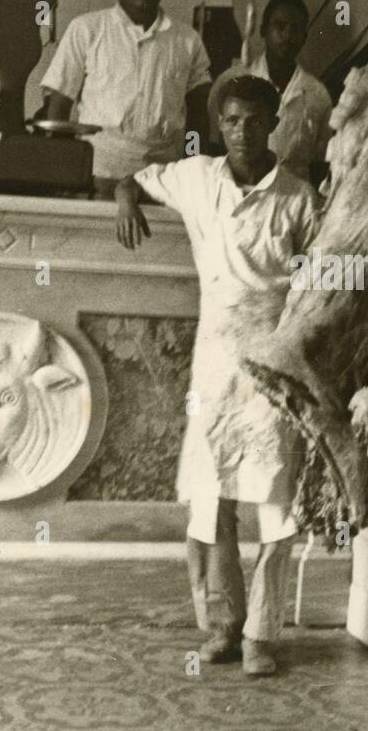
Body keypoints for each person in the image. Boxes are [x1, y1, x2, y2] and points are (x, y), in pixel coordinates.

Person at [116, 75, 319, 676]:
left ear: (273, 122)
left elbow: (315, 286)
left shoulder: (299, 198)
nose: (242, 132)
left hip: (275, 364)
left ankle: (263, 634)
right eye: (230, 121)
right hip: (213, 363)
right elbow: (133, 175)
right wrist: (125, 197)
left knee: (276, 504)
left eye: (254, 121)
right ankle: (226, 626)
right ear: (218, 125)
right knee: (215, 500)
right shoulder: (198, 178)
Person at [42, 0, 212, 196]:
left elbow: (198, 116)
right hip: (96, 174)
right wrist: (61, 172)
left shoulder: (188, 40)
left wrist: (192, 166)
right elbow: (60, 103)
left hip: (163, 180)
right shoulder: (87, 29)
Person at [208, 0, 332, 186]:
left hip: (293, 198)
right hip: (239, 191)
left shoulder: (317, 94)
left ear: (304, 37)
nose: (287, 36)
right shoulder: (231, 81)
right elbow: (213, 146)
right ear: (263, 30)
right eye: (280, 26)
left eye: (295, 29)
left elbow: (320, 163)